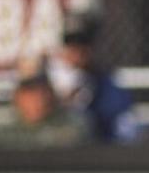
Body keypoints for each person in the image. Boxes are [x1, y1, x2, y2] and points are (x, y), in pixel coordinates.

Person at [47, 12, 137, 144]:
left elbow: (122, 126)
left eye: (83, 46)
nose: (78, 52)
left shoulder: (107, 85)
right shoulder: (46, 80)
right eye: (71, 46)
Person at [0, 69, 89, 149]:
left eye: (40, 99)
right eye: (30, 101)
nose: (37, 105)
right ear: (17, 101)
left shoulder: (72, 126)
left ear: (51, 99)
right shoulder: (2, 130)